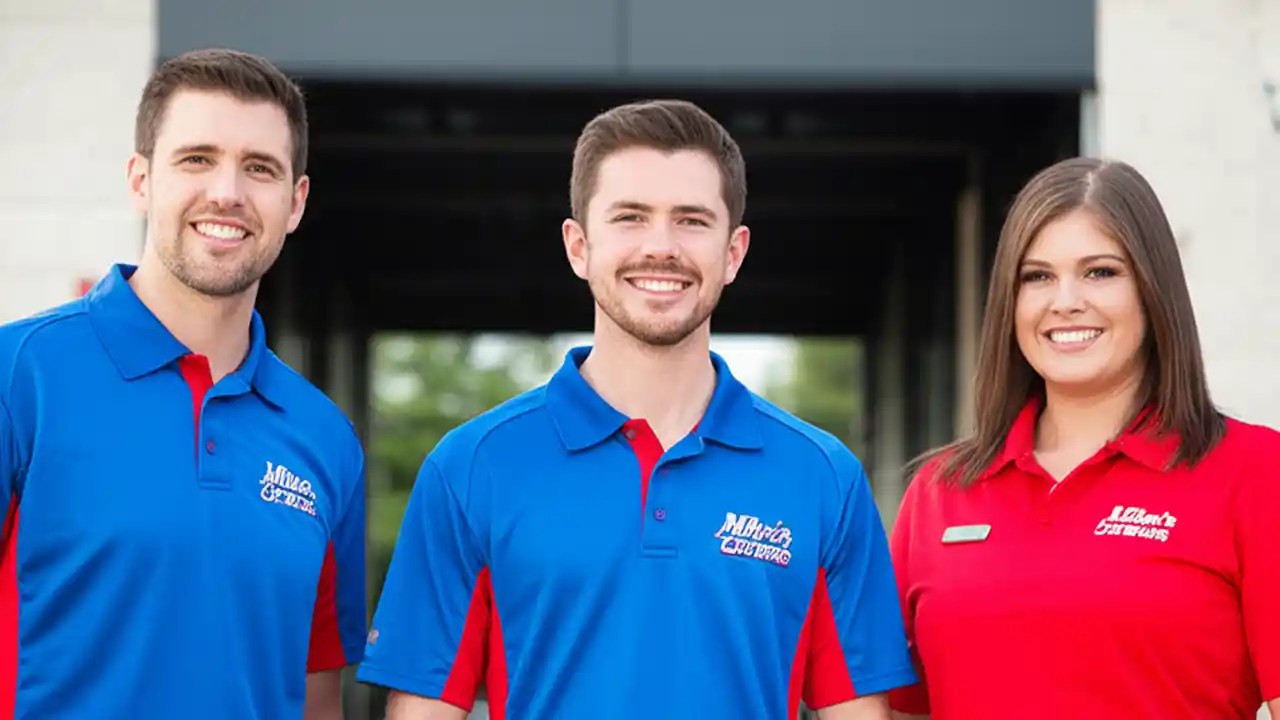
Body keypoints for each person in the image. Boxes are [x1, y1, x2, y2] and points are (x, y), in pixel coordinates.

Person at [356, 99, 916, 719]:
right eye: (630, 217)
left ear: (734, 252)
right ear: (578, 246)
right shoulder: (470, 469)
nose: (661, 246)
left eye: (692, 220)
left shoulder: (822, 477)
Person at [0, 48, 367, 718]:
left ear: (296, 201)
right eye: (196, 158)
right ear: (140, 179)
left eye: (260, 168)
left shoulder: (326, 439)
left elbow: (317, 691)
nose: (227, 192)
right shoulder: (20, 376)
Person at [887, 157, 1279, 719]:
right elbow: (896, 708)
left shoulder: (1256, 470)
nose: (1064, 300)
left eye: (1100, 272)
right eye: (1037, 276)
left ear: (1152, 289)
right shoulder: (940, 492)